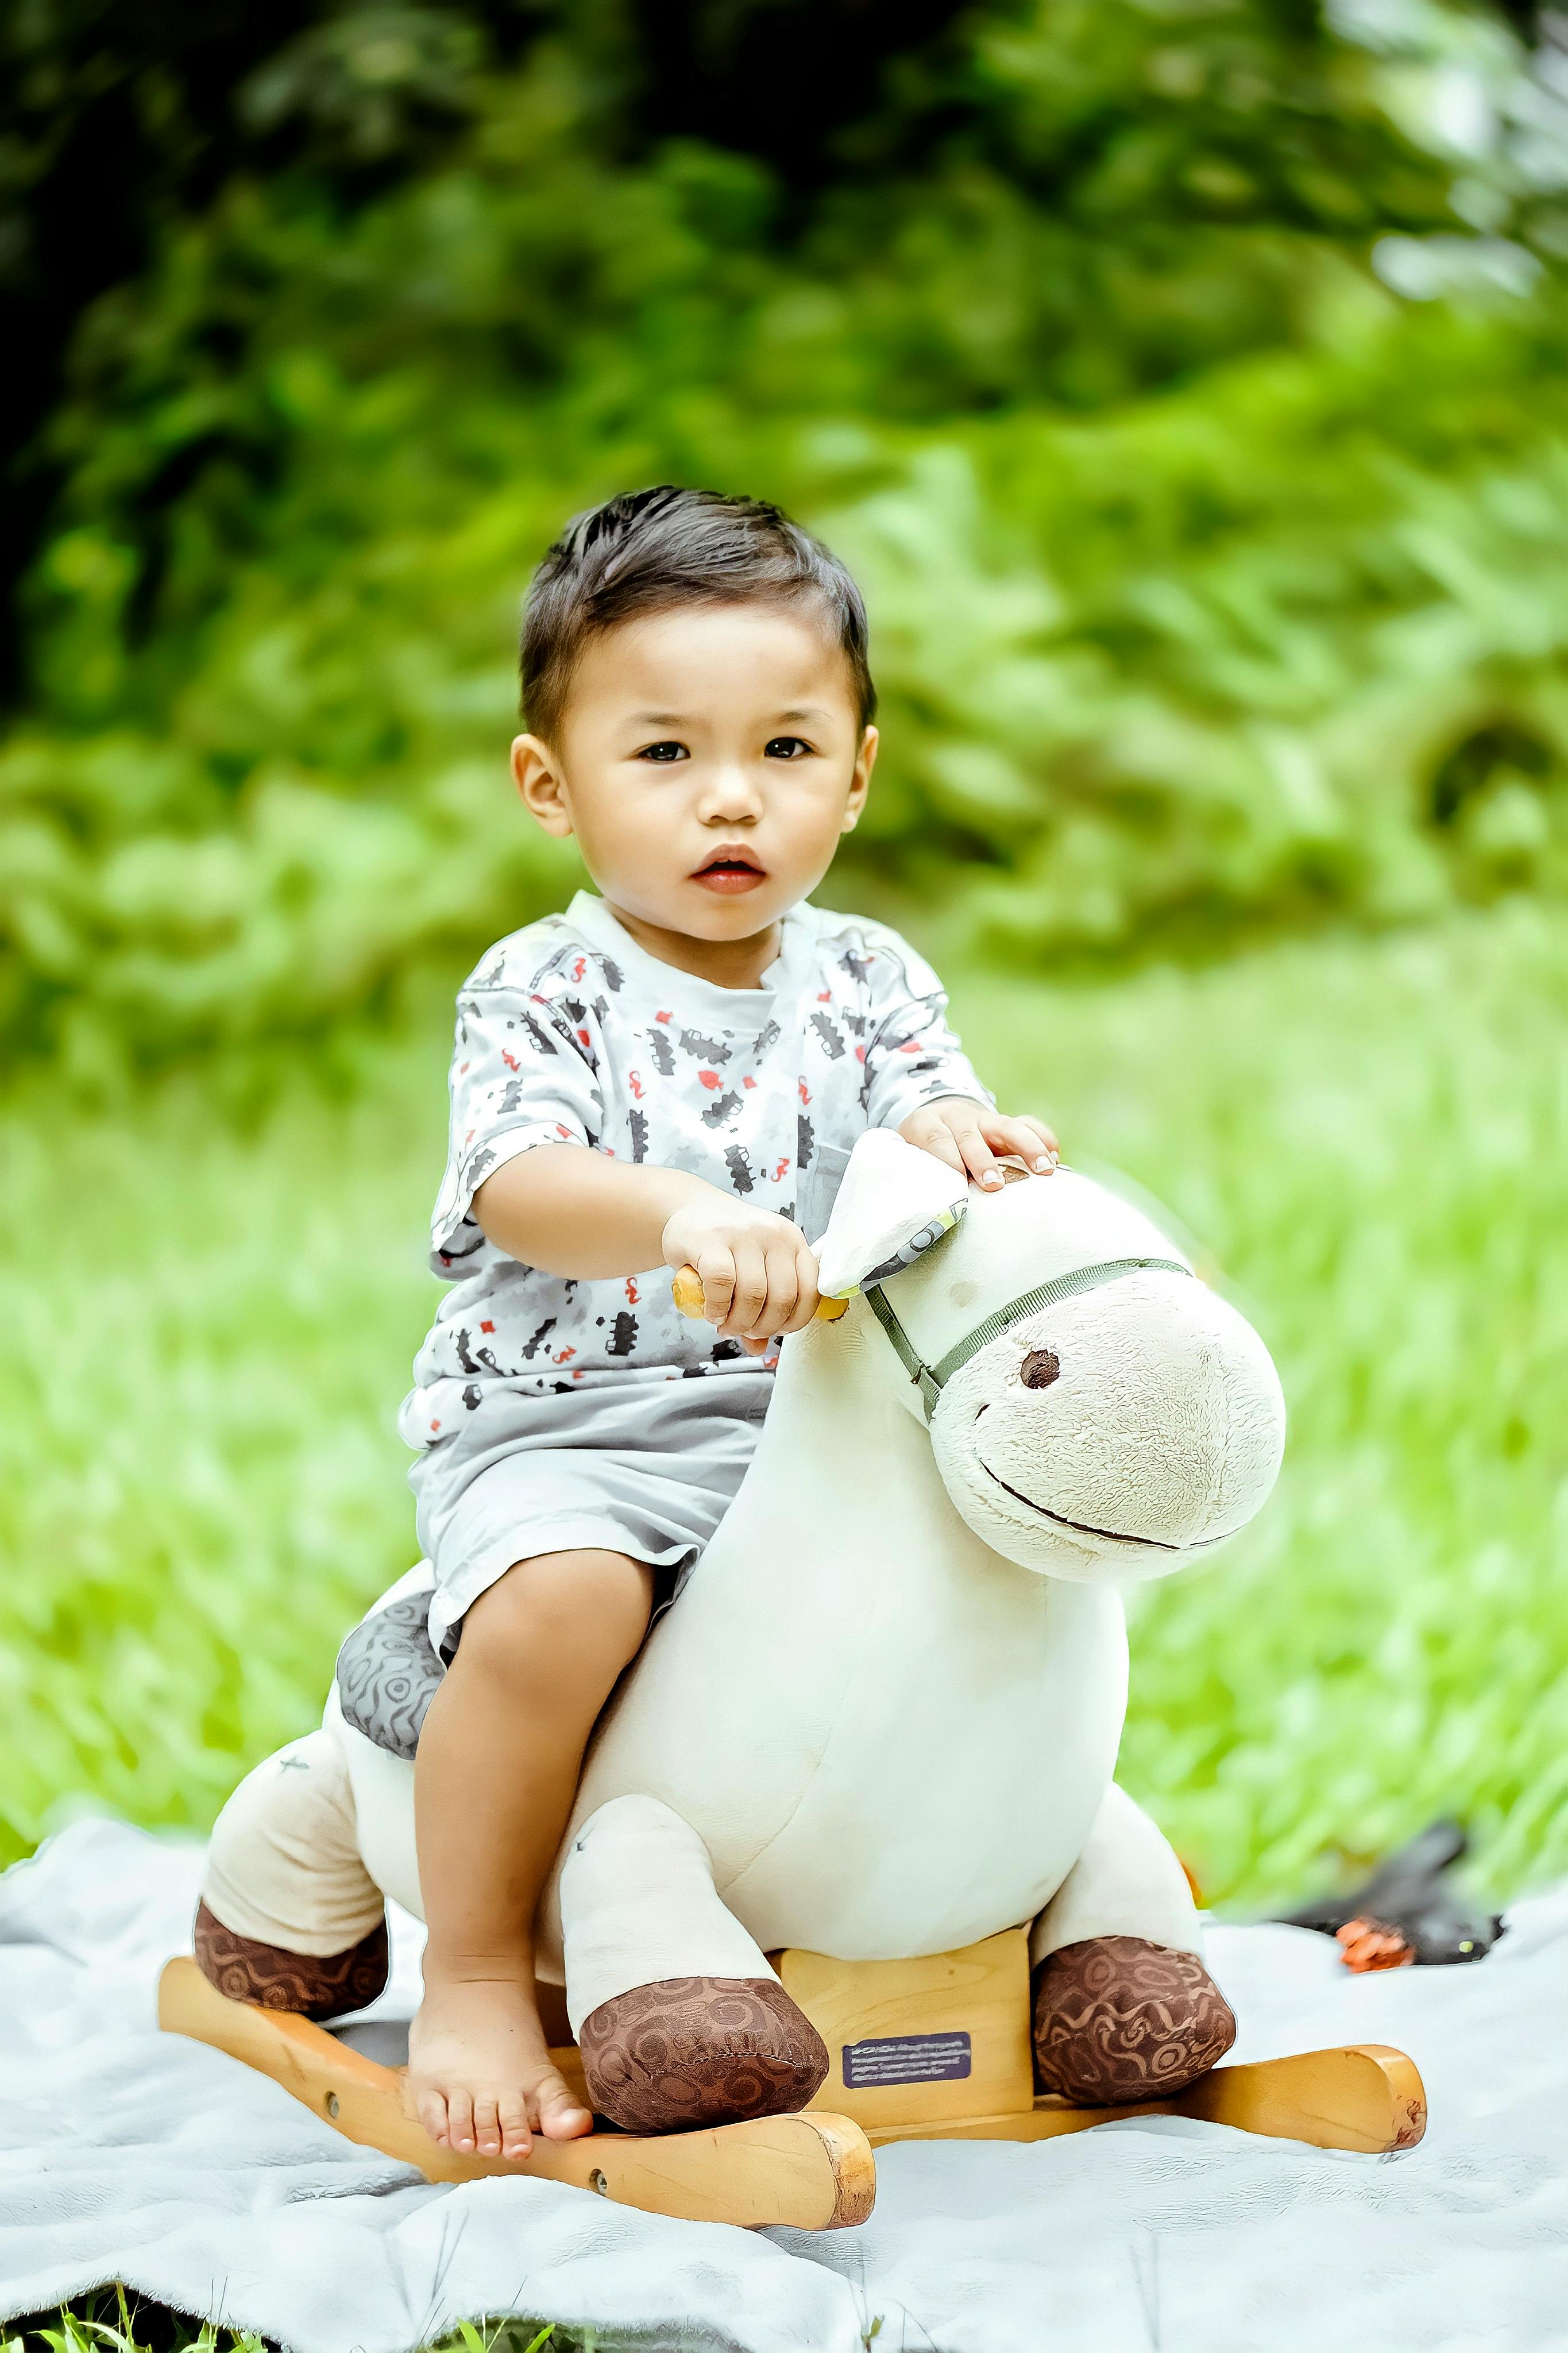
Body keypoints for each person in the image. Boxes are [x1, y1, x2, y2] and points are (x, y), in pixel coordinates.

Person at [401, 485, 1059, 2160]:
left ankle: (1016, 1897)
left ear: (858, 770)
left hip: (810, 1423)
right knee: (564, 1605)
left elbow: (927, 1106)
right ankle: (477, 1969)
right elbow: (516, 1179)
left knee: (998, 1575)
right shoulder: (541, 989)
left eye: (782, 749)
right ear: (551, 789)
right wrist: (682, 1215)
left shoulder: (868, 977)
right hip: (579, 1424)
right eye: (664, 754)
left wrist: (963, 1142)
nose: (730, 800)